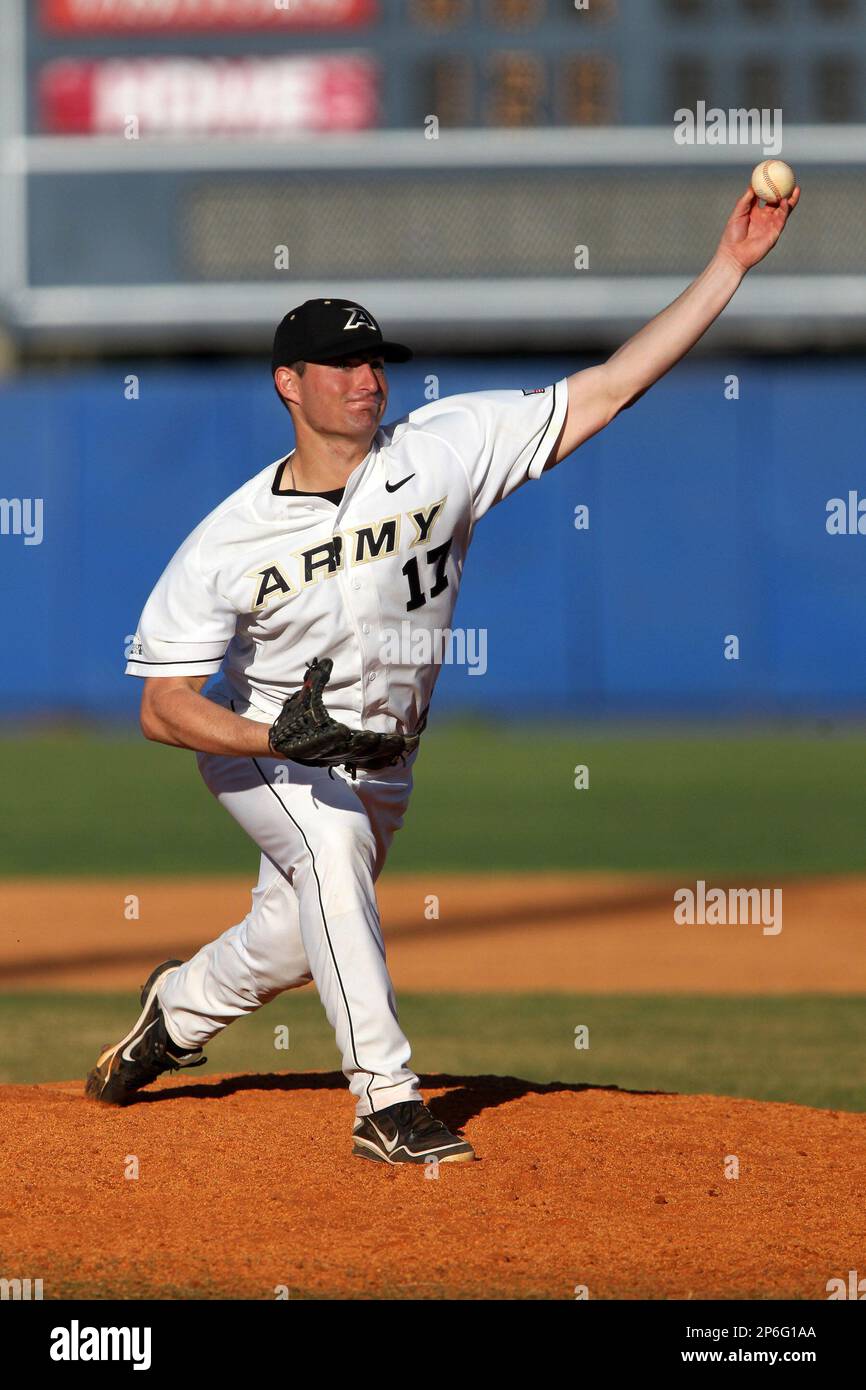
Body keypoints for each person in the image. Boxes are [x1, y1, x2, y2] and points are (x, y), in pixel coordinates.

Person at [85, 186, 799, 1165]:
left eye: (374, 360)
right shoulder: (228, 538)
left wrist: (728, 268)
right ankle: (385, 1102)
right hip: (264, 749)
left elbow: (603, 388)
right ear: (287, 383)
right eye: (340, 364)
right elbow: (162, 709)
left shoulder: (442, 453)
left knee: (294, 941)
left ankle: (176, 1008)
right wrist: (270, 739)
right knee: (327, 846)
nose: (364, 378)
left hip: (383, 755)